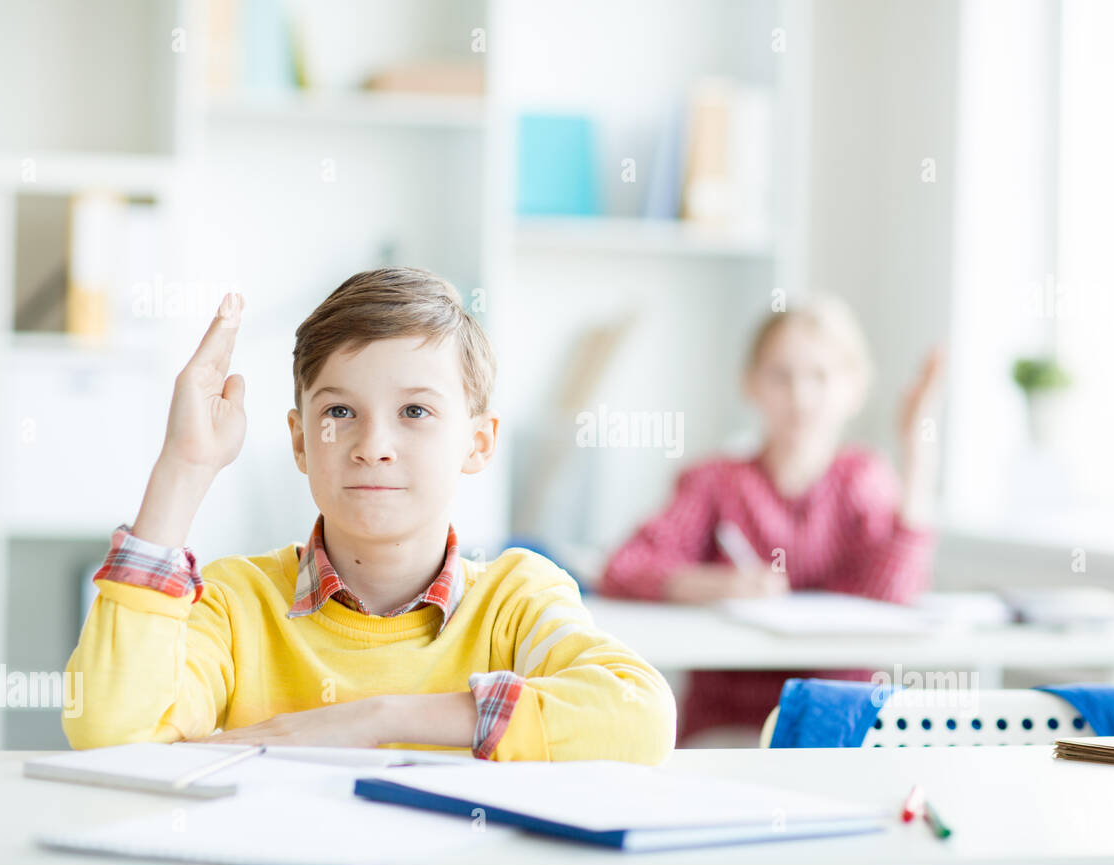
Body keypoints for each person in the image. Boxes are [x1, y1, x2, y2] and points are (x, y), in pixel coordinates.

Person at [64, 268, 676, 763]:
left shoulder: (517, 601)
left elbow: (639, 715)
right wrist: (183, 469)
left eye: (414, 411)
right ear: (301, 442)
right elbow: (114, 735)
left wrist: (375, 719)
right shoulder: (234, 603)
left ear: (478, 443)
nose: (372, 444)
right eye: (339, 412)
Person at [599, 295, 943, 746]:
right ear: (751, 384)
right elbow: (622, 569)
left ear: (854, 388)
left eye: (820, 376)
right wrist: (714, 585)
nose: (800, 397)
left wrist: (916, 460)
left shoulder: (864, 479)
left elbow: (894, 592)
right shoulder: (715, 483)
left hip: (841, 726)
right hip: (729, 729)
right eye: (781, 376)